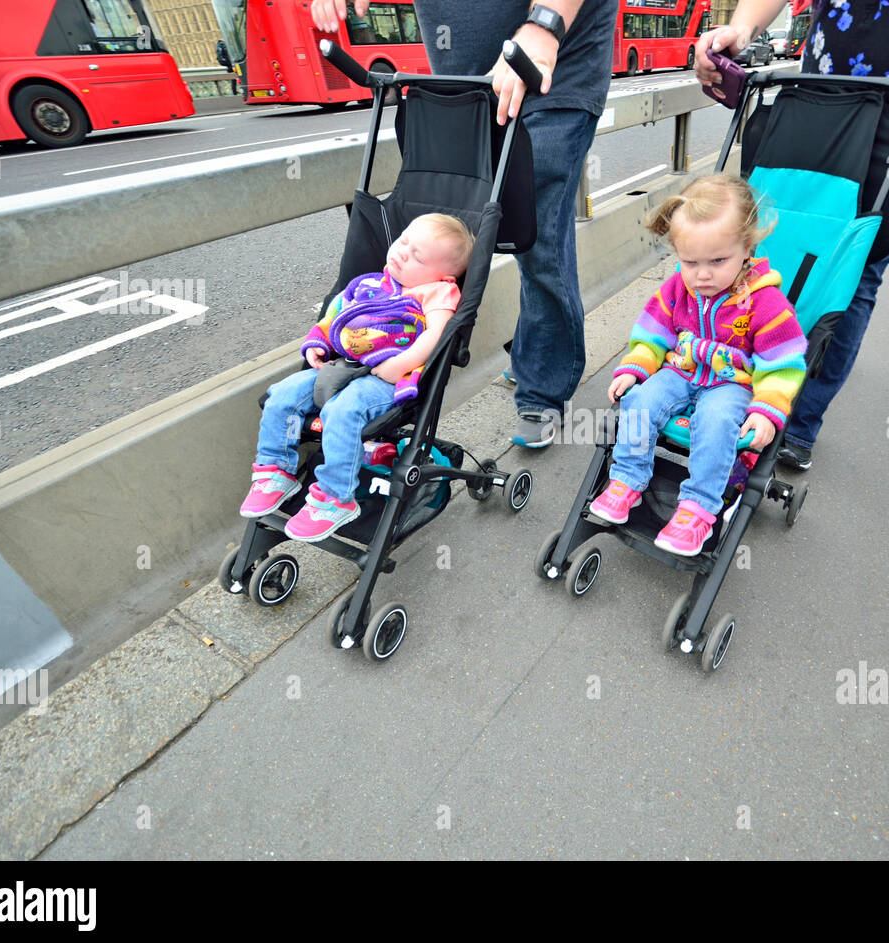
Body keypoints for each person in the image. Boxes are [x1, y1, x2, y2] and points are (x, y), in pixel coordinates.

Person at [695, 0, 889, 471]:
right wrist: (740, 30)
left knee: (854, 270)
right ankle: (737, 384)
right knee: (763, 251)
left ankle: (799, 424)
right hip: (821, 101)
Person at [311, 0, 617, 449]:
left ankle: (543, 386)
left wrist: (545, 24)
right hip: (465, 87)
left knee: (537, 238)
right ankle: (490, 351)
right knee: (448, 231)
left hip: (551, 72)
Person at [590, 175, 806, 557]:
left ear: (747, 248)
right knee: (640, 400)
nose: (702, 274)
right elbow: (652, 334)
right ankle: (627, 480)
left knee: (717, 421)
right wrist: (635, 367)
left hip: (733, 383)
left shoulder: (766, 303)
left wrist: (766, 411)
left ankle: (699, 508)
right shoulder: (679, 288)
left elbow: (782, 364)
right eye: (690, 262)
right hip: (680, 370)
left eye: (718, 261)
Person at [240, 214, 474, 542]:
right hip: (342, 365)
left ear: (444, 275)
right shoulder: (370, 284)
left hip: (386, 379)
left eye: (418, 256)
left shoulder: (436, 292)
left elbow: (436, 336)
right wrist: (318, 342)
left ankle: (336, 496)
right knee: (283, 394)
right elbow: (335, 316)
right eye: (403, 241)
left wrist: (400, 364)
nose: (403, 252)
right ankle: (276, 470)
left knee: (344, 410)